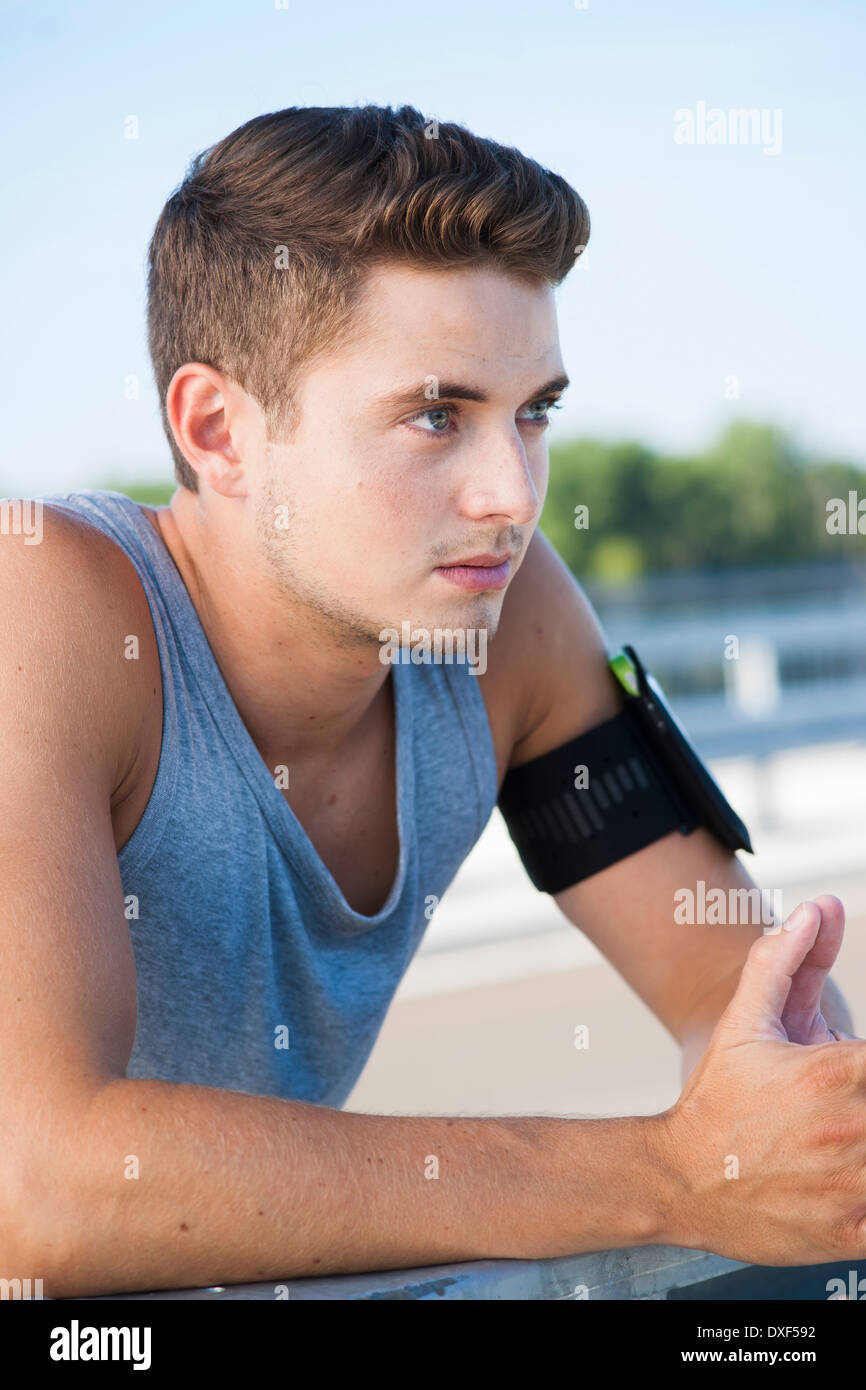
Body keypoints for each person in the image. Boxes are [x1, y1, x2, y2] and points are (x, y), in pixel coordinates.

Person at [2, 104, 861, 1299]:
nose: (512, 495)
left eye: (533, 412)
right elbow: (39, 1188)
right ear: (219, 431)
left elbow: (747, 1005)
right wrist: (671, 1173)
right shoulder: (43, 603)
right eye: (433, 415)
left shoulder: (505, 625)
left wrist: (779, 1136)